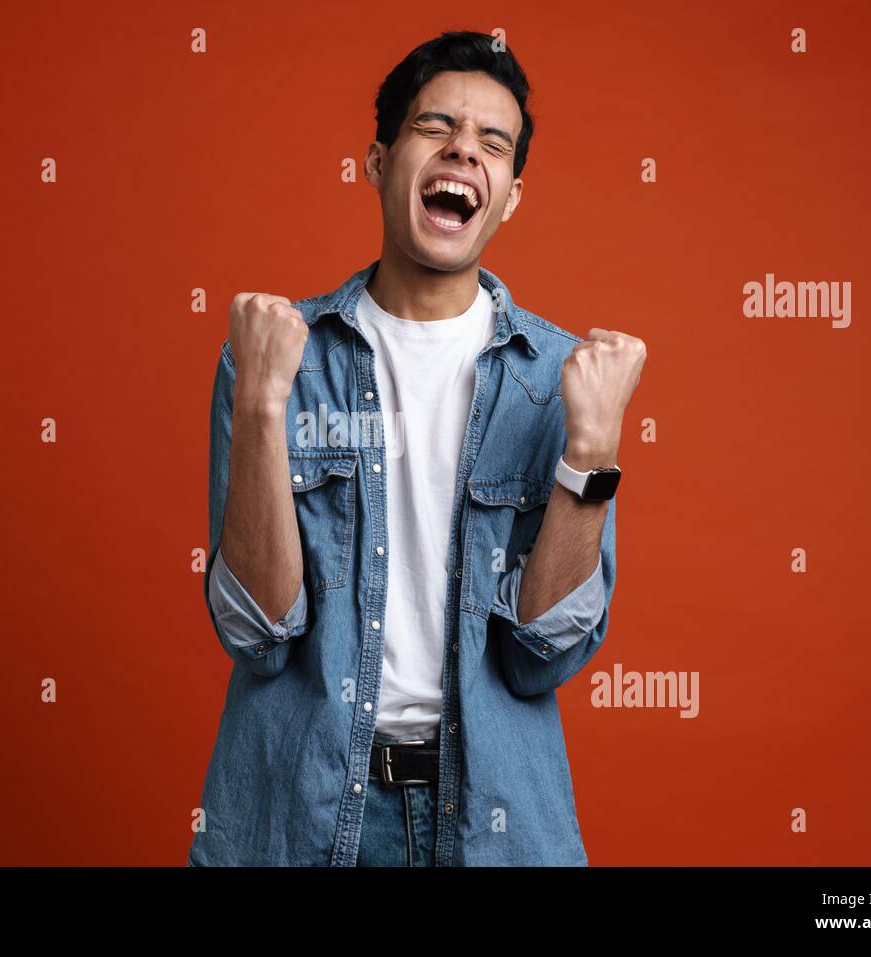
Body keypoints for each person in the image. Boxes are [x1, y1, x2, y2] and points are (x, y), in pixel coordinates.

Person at [188, 30, 646, 867]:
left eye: (493, 144)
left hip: (493, 820)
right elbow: (258, 631)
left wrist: (593, 446)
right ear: (377, 160)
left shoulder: (557, 379)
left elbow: (544, 653)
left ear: (508, 197)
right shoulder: (280, 357)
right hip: (301, 816)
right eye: (437, 128)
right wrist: (260, 403)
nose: (464, 150)